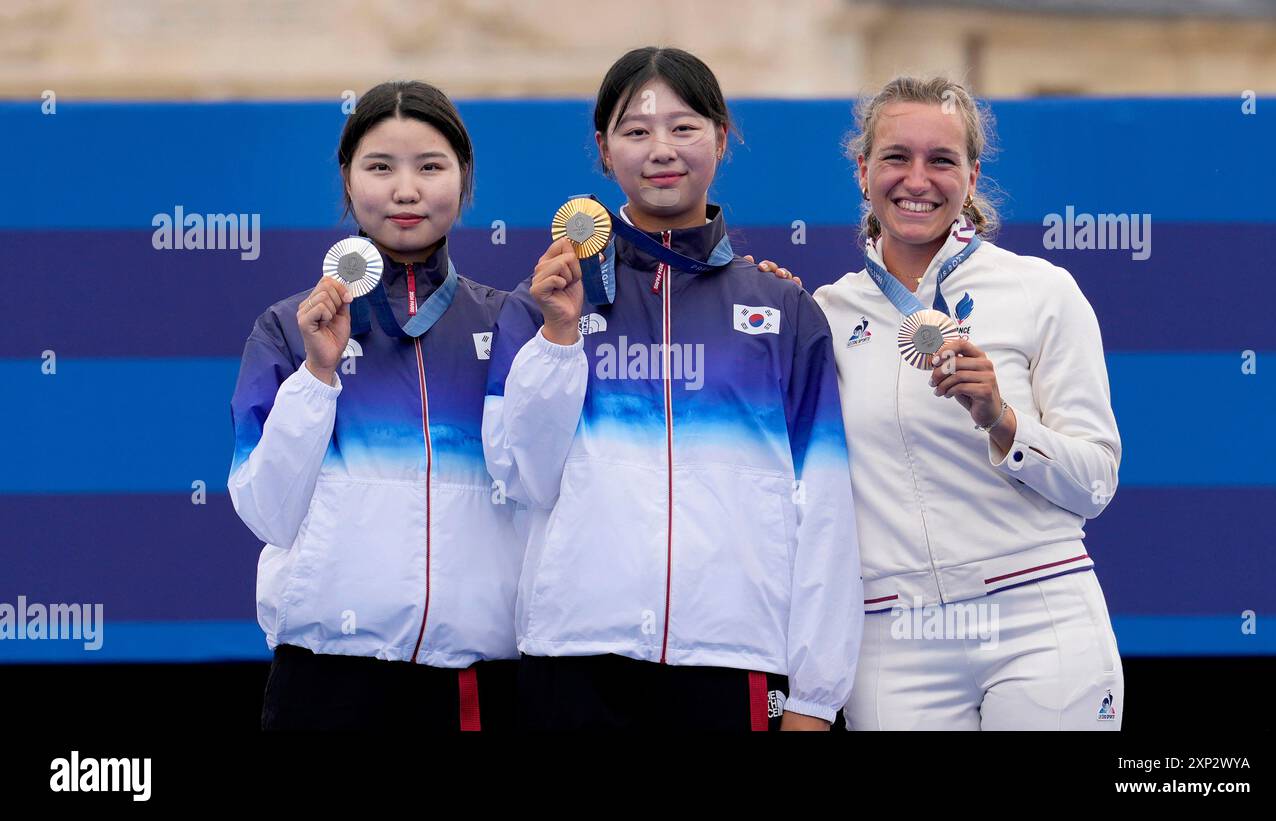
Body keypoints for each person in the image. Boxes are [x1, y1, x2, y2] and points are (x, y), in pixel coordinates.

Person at [483, 47, 861, 731]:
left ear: (721, 137)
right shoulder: (540, 302)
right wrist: (559, 338)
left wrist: (815, 693)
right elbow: (524, 479)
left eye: (684, 127)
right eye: (635, 130)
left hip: (733, 655)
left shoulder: (783, 310)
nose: (661, 149)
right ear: (602, 149)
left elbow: (826, 507)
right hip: (574, 655)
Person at [814, 75, 1125, 730]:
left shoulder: (1042, 290)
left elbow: (1095, 482)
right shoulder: (826, 314)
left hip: (1038, 619)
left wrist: (1003, 420)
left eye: (942, 159)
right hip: (895, 637)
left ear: (972, 174)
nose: (917, 179)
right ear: (863, 170)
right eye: (896, 157)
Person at [227, 81, 521, 731]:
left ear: (464, 179)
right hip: (327, 676)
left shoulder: (510, 324)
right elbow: (267, 511)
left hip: (471, 678)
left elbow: (542, 477)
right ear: (348, 179)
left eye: (430, 166)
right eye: (380, 167)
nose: (406, 190)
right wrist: (316, 373)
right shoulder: (285, 328)